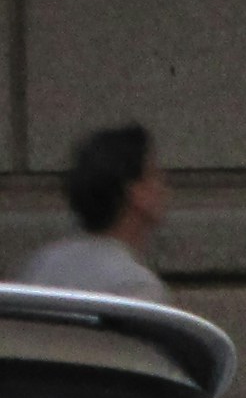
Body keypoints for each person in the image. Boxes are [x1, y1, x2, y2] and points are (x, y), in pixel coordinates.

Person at [21, 125, 170, 301]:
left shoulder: (43, 264)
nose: (164, 187)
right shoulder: (135, 285)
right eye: (154, 174)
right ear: (134, 192)